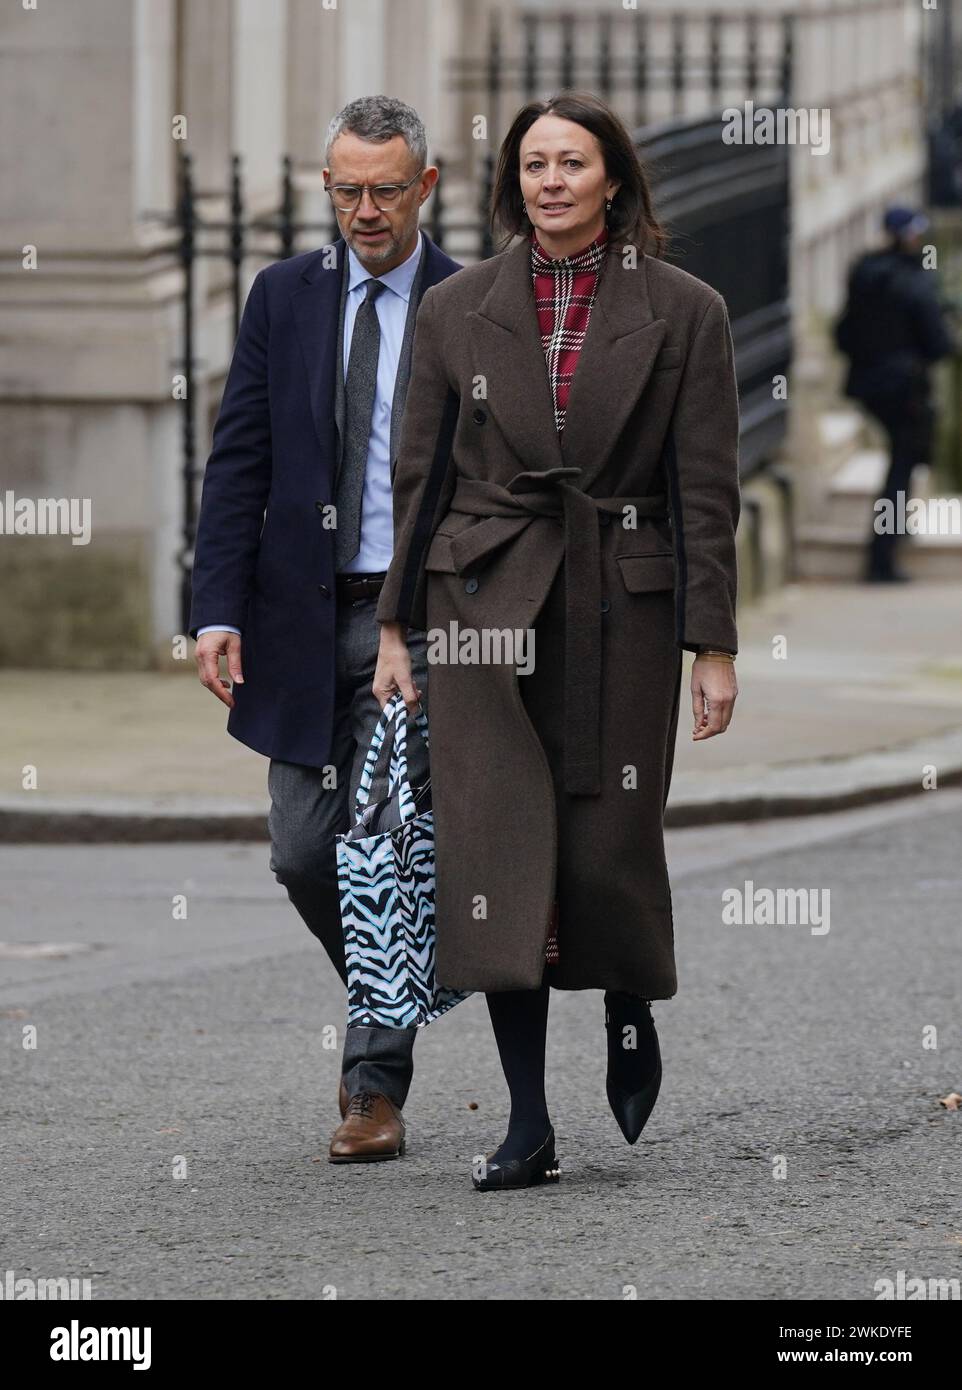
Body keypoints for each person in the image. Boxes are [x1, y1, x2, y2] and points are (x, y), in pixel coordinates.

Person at [373, 91, 741, 1191]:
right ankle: (526, 1121)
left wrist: (712, 645)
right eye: (533, 164)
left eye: (571, 163)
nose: (550, 182)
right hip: (483, 602)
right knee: (497, 858)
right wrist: (395, 625)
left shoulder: (687, 310)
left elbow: (705, 491)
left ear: (612, 179)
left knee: (604, 843)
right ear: (512, 182)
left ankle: (627, 1001)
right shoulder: (456, 308)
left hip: (621, 602)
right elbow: (417, 477)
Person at [189, 96, 461, 1163]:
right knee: (306, 853)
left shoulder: (466, 302)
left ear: (425, 186)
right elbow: (239, 461)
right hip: (302, 619)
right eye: (346, 191)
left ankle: (372, 1087)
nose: (365, 211)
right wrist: (216, 607)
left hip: (419, 624)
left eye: (385, 190)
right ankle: (401, 980)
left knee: (380, 846)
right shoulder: (283, 296)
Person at [835, 205, 956, 582]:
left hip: (869, 385)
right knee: (902, 467)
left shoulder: (864, 273)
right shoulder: (915, 281)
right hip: (903, 389)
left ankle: (894, 533)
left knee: (904, 459)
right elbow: (939, 344)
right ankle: (882, 557)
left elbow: (843, 334)